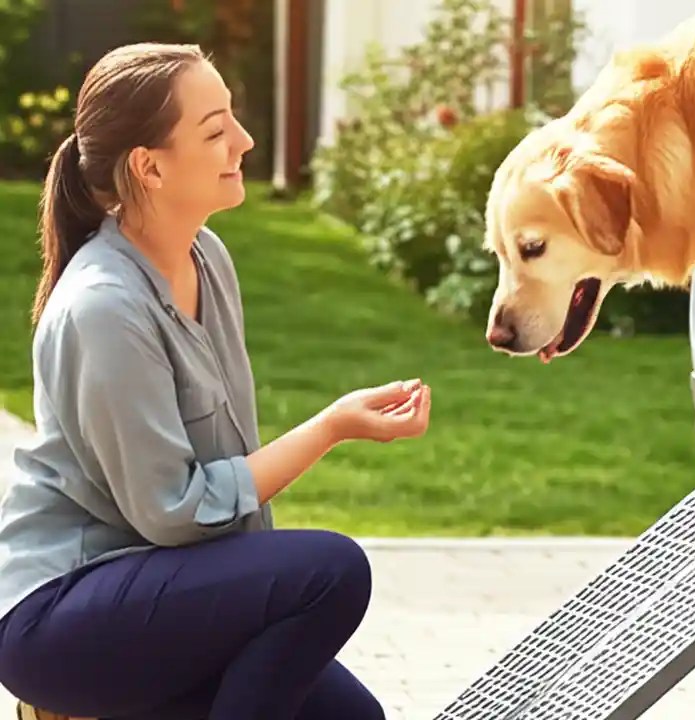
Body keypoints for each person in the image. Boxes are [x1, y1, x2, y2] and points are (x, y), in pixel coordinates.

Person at [0, 42, 430, 720]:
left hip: (158, 594)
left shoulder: (206, 256)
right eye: (214, 129)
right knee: (332, 572)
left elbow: (220, 496)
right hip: (64, 617)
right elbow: (174, 512)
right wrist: (331, 429)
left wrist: (253, 601)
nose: (244, 140)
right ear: (149, 167)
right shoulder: (104, 306)